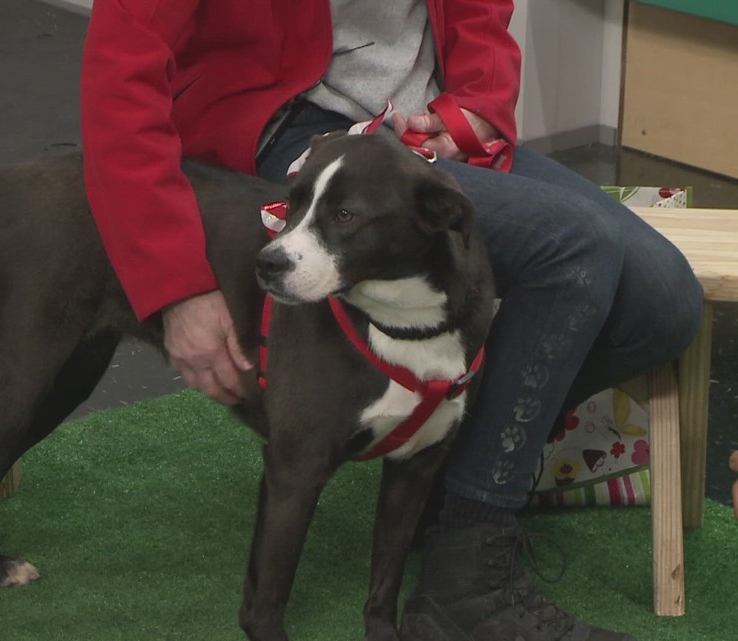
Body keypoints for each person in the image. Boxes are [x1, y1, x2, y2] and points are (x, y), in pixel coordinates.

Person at [79, 2, 703, 640]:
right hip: (283, 124)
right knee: (574, 245)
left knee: (663, 302)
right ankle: (468, 570)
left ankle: (447, 481)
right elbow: (118, 73)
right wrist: (176, 287)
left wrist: (476, 106)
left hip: (418, 124)